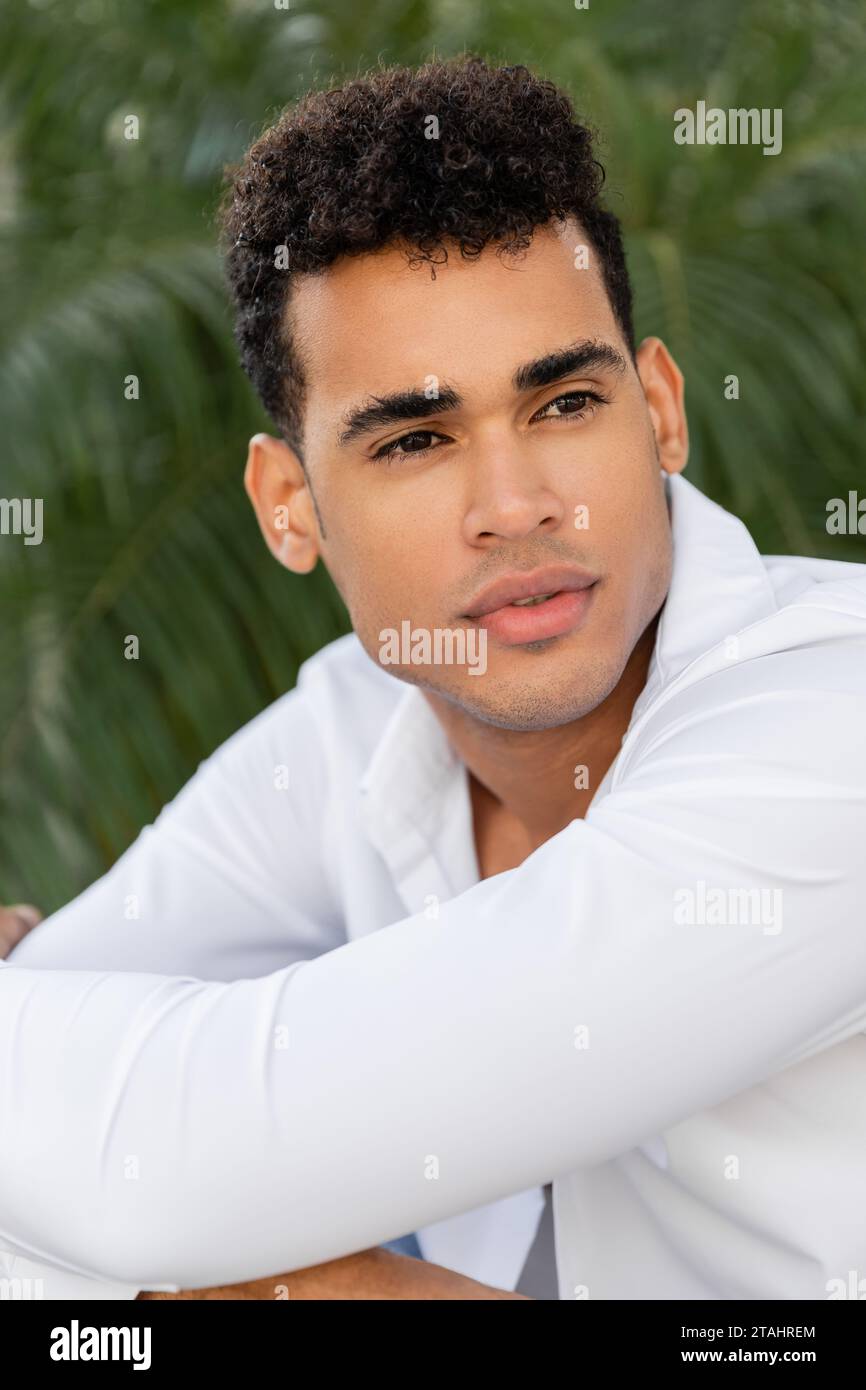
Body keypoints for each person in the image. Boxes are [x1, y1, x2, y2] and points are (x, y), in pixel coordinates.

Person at [2, 56, 865, 1302]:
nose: (514, 507)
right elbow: (66, 1137)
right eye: (414, 439)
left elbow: (159, 1166)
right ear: (289, 507)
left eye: (564, 402)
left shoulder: (827, 727)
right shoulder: (358, 720)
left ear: (660, 411)